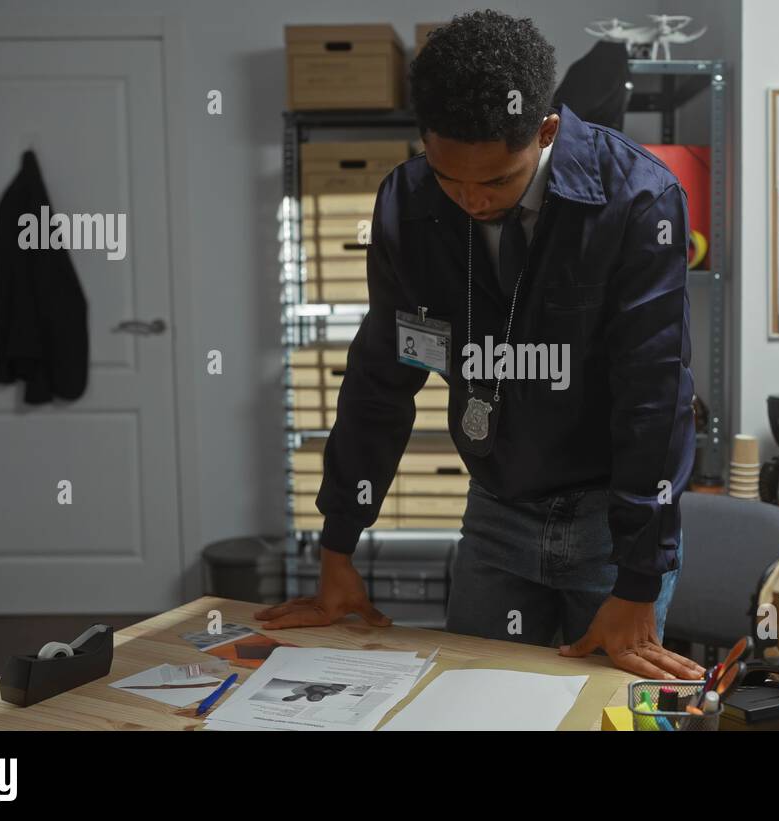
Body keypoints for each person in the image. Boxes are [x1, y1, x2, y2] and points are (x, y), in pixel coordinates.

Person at [255, 11, 703, 682]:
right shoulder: (406, 207)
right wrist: (339, 543)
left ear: (545, 130)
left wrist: (639, 580)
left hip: (611, 525)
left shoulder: (637, 201)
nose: (471, 200)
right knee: (472, 705)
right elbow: (381, 377)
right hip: (496, 512)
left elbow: (654, 396)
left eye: (496, 181)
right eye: (448, 177)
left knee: (602, 716)